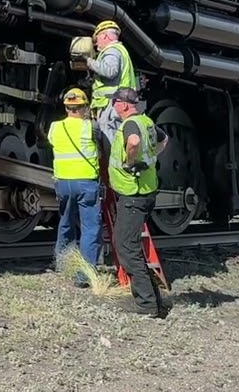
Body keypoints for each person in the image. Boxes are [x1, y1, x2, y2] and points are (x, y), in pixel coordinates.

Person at [106, 87, 172, 318]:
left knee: (125, 246)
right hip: (145, 191)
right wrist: (152, 157)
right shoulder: (147, 122)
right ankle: (153, 299)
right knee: (130, 245)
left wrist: (130, 161)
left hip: (134, 195)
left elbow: (133, 142)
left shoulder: (131, 125)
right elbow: (165, 139)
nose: (113, 106)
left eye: (114, 102)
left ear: (123, 105)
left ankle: (146, 304)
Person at [47, 87, 103, 287]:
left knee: (65, 223)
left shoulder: (55, 127)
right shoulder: (90, 127)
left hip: (63, 183)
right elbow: (103, 146)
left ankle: (63, 266)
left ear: (67, 107)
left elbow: (53, 143)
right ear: (84, 107)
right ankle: (84, 275)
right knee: (90, 229)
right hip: (86, 183)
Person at [83, 20, 139, 148]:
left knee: (110, 140)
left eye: (96, 39)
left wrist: (89, 62)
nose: (96, 45)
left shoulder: (112, 50)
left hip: (110, 104)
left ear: (104, 36)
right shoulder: (121, 50)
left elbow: (110, 71)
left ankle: (112, 167)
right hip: (117, 103)